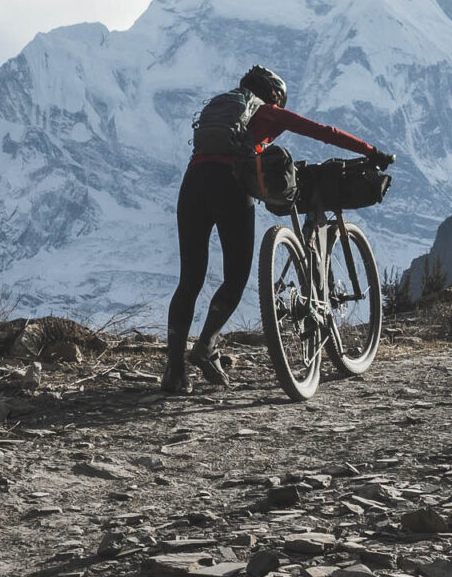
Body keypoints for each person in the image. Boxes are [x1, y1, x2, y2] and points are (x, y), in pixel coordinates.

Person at [166, 64, 393, 394]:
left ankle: (174, 372)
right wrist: (370, 151)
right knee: (235, 278)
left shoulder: (222, 106)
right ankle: (205, 346)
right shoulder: (268, 111)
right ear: (273, 94)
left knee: (190, 280)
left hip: (194, 183)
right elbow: (323, 131)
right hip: (229, 187)